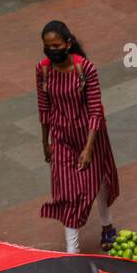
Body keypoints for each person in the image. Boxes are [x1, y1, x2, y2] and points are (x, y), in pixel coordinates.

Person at [36, 21, 119, 254]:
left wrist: (89, 148)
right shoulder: (42, 70)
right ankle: (72, 252)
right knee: (67, 191)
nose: (52, 50)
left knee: (97, 180)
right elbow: (44, 108)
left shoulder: (86, 69)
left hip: (90, 135)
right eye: (48, 46)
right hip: (61, 136)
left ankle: (107, 224)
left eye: (56, 45)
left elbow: (95, 110)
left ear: (68, 43)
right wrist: (46, 142)